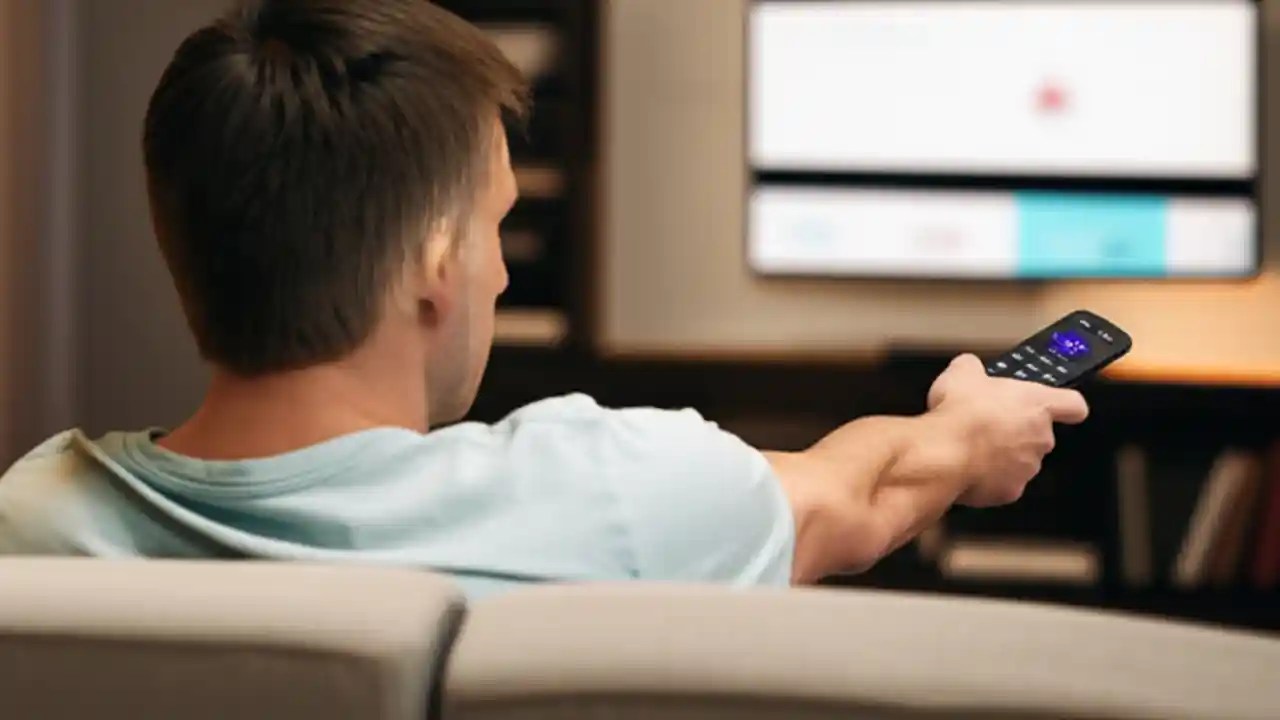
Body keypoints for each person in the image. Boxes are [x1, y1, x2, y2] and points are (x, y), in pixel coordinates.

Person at [0, 0, 1088, 598]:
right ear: (436, 266)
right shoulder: (619, 496)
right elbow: (860, 495)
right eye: (494, 223)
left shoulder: (36, 525)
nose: (503, 272)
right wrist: (968, 430)